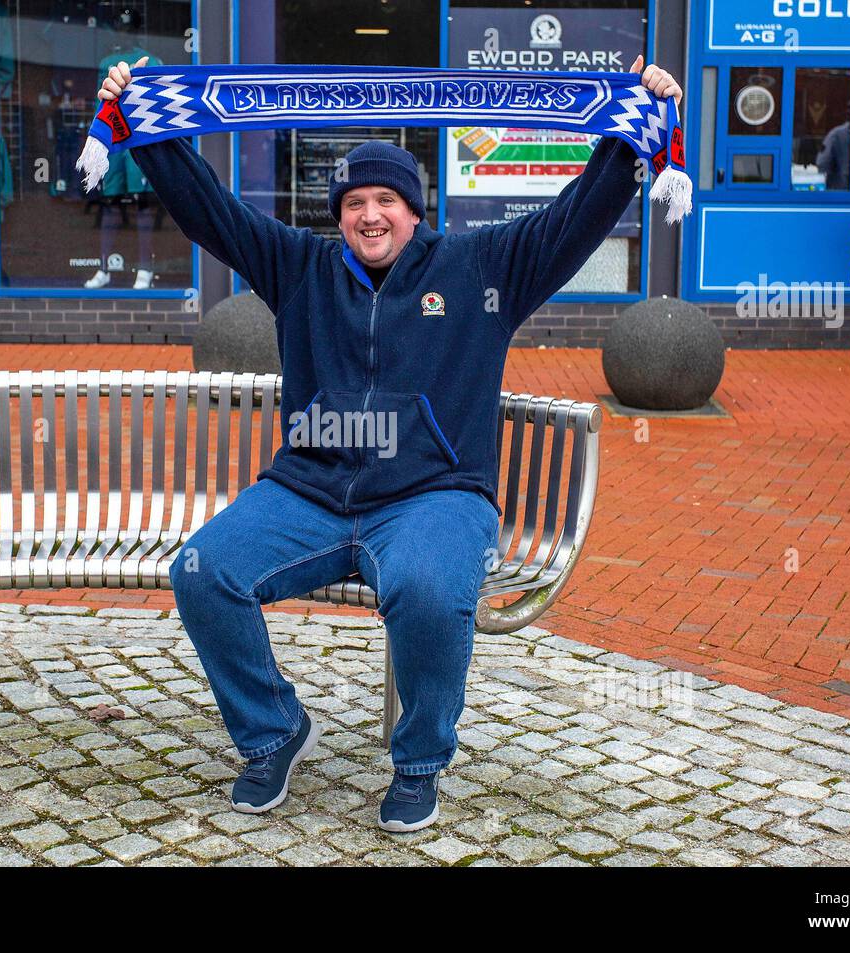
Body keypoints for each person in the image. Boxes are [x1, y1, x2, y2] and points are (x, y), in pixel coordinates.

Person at [99, 56, 681, 832]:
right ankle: (273, 731)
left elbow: (576, 217)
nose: (369, 215)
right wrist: (144, 124)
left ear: (415, 209)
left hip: (433, 498)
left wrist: (629, 132)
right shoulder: (300, 267)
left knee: (433, 591)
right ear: (338, 214)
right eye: (353, 202)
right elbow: (209, 211)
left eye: (386, 200)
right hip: (307, 494)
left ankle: (417, 763)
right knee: (202, 572)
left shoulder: (483, 265)